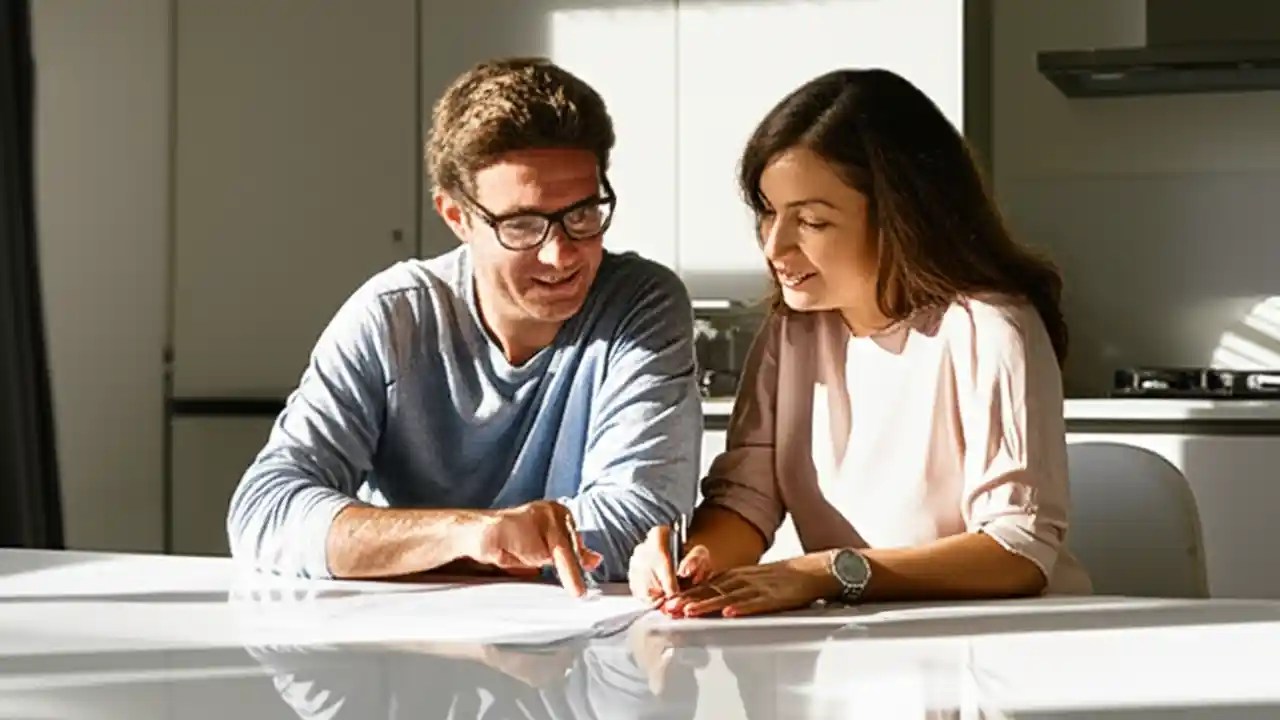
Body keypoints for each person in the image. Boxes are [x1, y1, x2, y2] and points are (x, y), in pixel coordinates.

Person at [227, 57, 701, 595]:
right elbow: (266, 509)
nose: (561, 254)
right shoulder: (392, 317)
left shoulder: (641, 304)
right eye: (522, 224)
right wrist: (469, 535)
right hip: (403, 649)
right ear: (457, 217)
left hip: (584, 652)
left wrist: (394, 549)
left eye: (583, 214)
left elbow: (640, 526)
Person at [628, 68, 1091, 617]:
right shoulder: (794, 332)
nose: (776, 245)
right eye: (768, 213)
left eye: (812, 221)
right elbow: (746, 501)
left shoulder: (990, 329)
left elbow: (1018, 550)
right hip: (860, 649)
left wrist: (825, 570)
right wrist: (693, 560)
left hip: (996, 654)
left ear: (900, 217)